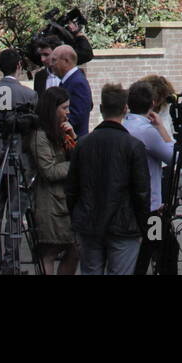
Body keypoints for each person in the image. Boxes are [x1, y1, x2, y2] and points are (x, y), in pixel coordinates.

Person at [66, 82, 150, 275]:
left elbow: (72, 187)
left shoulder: (83, 143)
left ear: (102, 108)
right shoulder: (133, 146)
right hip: (124, 224)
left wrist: (76, 216)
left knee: (91, 270)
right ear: (125, 108)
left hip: (89, 222)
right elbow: (141, 192)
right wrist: (144, 225)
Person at [0, 49, 37, 266]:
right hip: (19, 160)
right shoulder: (28, 95)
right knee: (15, 213)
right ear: (19, 66)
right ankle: (13, 260)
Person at [123, 79, 175, 275]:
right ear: (153, 103)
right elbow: (173, 157)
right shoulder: (147, 131)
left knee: (145, 250)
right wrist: (162, 129)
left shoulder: (124, 125)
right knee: (157, 248)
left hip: (130, 204)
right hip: (151, 208)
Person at [30, 86, 78, 275]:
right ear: (52, 109)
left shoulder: (61, 131)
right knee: (50, 251)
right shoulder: (39, 136)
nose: (68, 112)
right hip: (50, 203)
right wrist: (75, 165)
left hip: (65, 200)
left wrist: (74, 138)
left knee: (75, 248)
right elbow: (48, 170)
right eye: (64, 108)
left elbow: (76, 153)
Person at [51, 45, 92, 138]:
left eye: (54, 60)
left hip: (74, 140)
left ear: (66, 61)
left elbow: (77, 116)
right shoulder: (69, 81)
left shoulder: (78, 83)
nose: (51, 64)